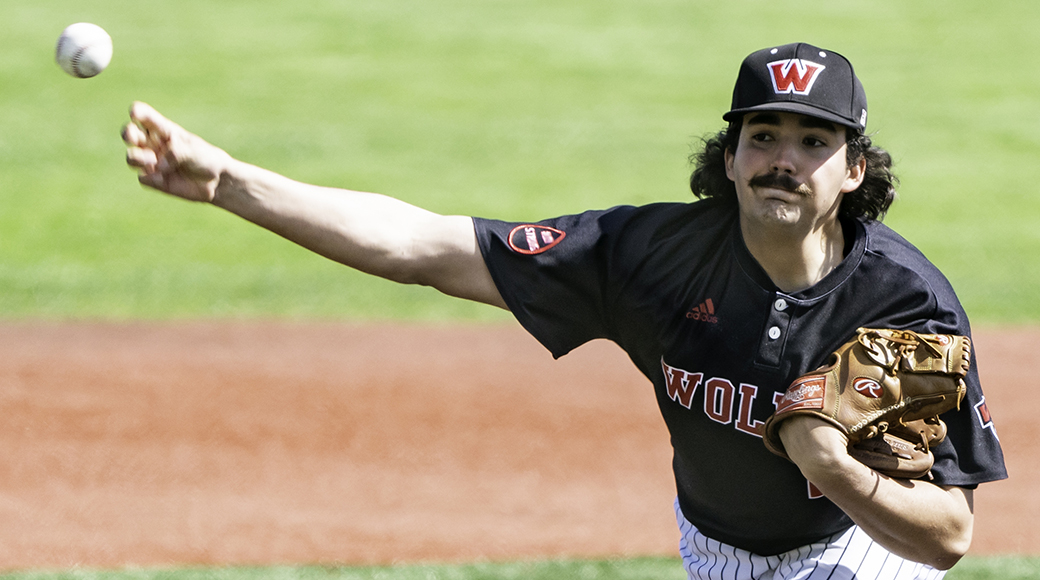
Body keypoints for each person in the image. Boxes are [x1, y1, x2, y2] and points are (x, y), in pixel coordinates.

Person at [122, 42, 1007, 579]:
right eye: (763, 136)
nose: (784, 158)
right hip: (714, 545)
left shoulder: (903, 306)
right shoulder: (650, 256)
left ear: (855, 169)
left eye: (815, 141)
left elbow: (946, 539)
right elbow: (426, 247)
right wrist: (232, 184)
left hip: (849, 548)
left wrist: (835, 466)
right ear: (729, 156)